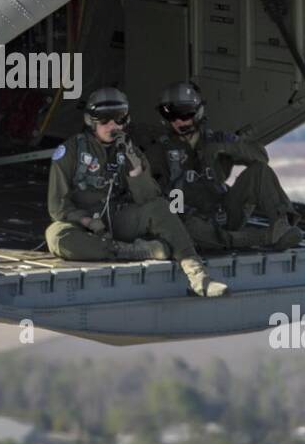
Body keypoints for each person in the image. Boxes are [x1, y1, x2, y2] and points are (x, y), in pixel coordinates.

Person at [45, 87, 228, 297]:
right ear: (91, 121)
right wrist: (86, 221)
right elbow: (58, 207)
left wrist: (136, 169)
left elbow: (149, 198)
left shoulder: (130, 151)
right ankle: (132, 250)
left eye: (119, 119)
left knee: (160, 207)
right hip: (83, 224)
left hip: (119, 217)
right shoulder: (70, 152)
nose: (112, 126)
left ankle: (199, 277)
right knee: (57, 237)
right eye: (105, 120)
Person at [144, 81, 303, 252]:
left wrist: (224, 149)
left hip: (225, 212)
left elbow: (260, 156)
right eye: (172, 116)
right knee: (185, 229)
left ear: (198, 112)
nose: (179, 121)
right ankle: (264, 237)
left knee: (260, 171)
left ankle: (284, 227)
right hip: (191, 222)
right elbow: (146, 190)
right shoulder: (159, 150)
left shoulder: (217, 139)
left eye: (185, 114)